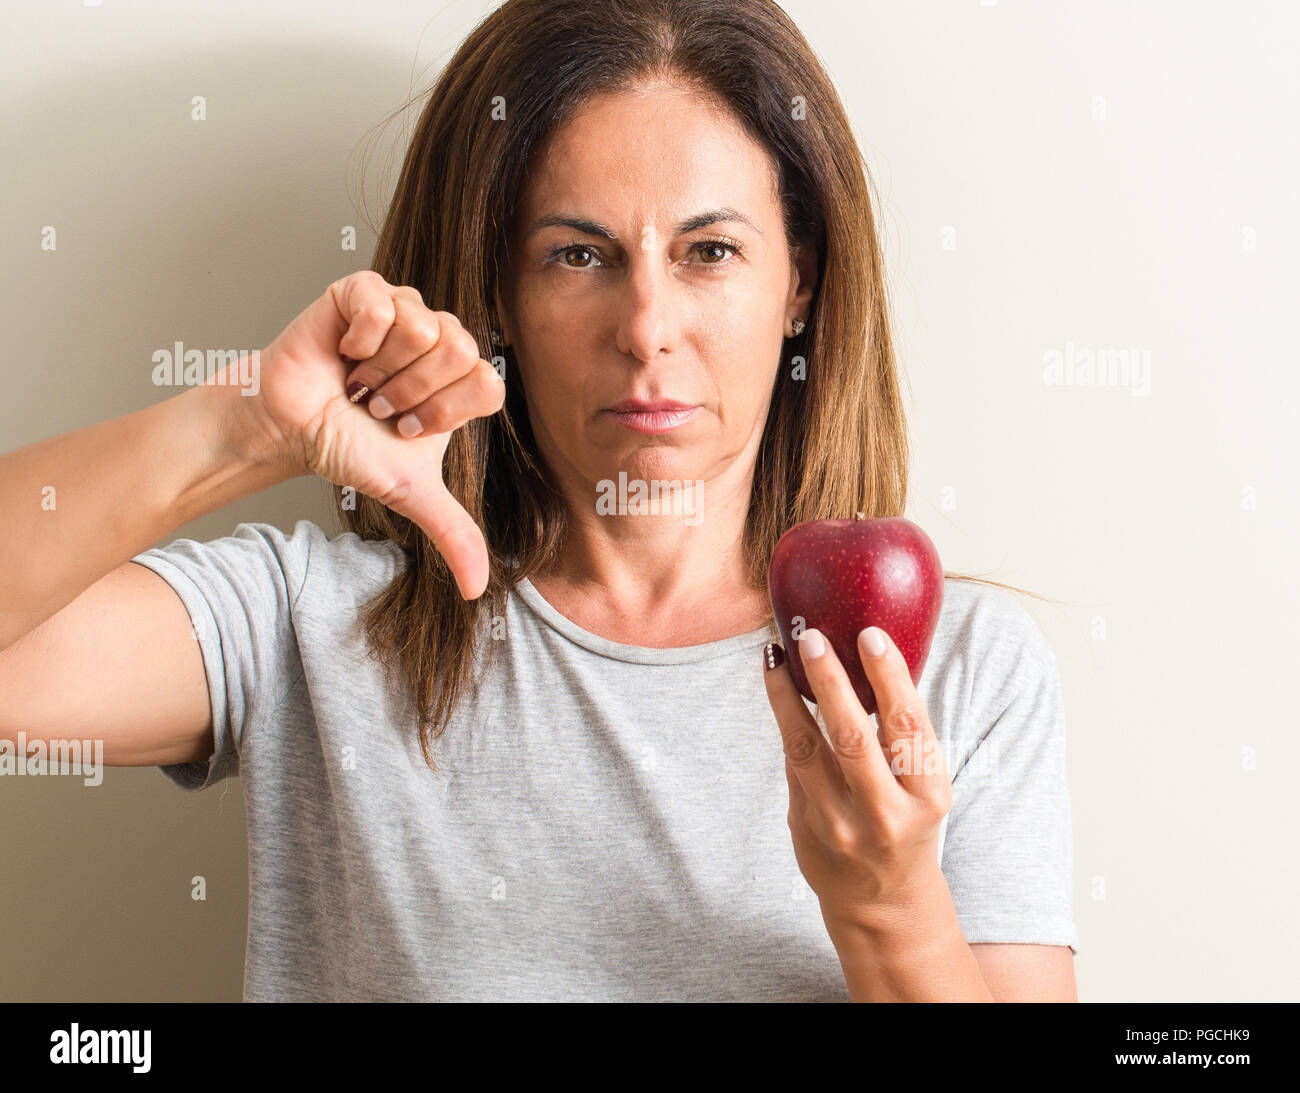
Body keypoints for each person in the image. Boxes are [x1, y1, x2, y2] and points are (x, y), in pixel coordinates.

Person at [0, 0, 1078, 1001]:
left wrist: (888, 910)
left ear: (799, 279)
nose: (646, 326)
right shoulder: (309, 625)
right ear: (500, 293)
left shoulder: (959, 671)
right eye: (577, 254)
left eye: (710, 251)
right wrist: (238, 428)